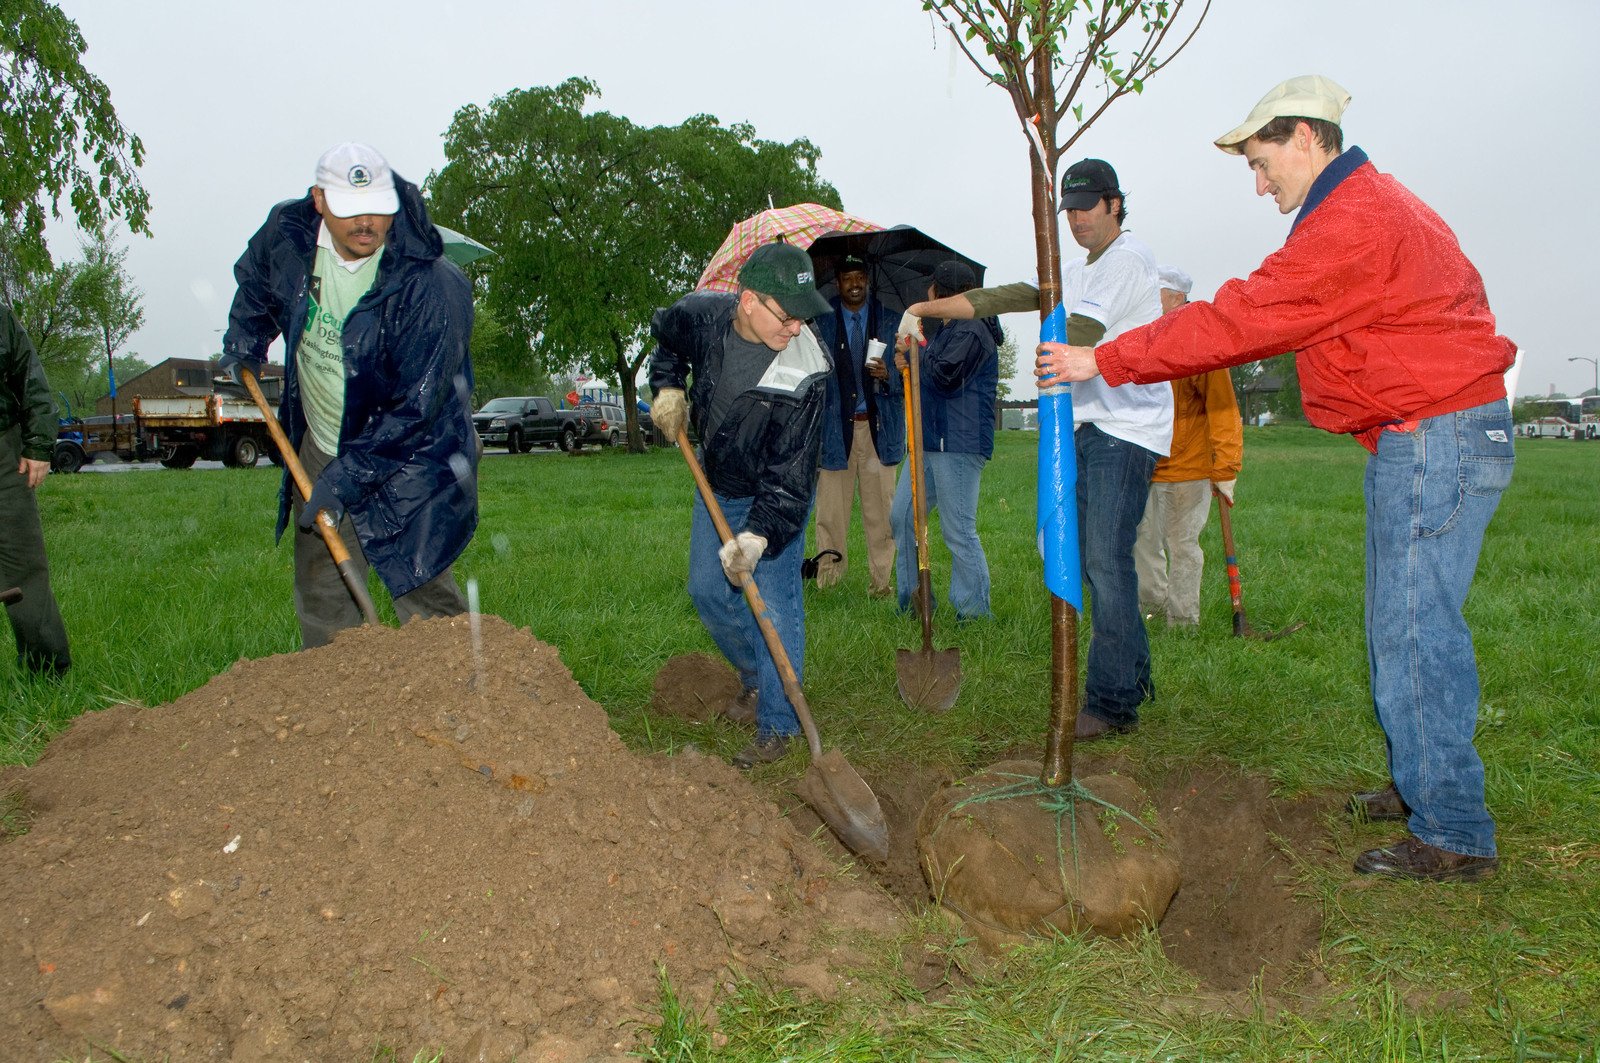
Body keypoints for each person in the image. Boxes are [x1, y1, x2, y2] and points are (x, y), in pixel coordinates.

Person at [1036, 76, 1516, 882]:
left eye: (1263, 164)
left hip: (1436, 437)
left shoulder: (1353, 221)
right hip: (1428, 435)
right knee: (1402, 622)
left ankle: (1454, 830)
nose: (1260, 186)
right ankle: (1424, 780)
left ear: (1307, 137)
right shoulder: (1375, 205)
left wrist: (1103, 359)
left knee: (1414, 630)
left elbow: (1241, 319)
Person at [901, 159, 1171, 736]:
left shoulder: (1129, 261)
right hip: (1087, 424)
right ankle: (1133, 671)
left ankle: (1111, 702)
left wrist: (1040, 321)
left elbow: (1082, 334)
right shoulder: (1073, 268)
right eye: (1067, 209)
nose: (1074, 218)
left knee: (1103, 556)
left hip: (1129, 428)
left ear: (1114, 204)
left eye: (1085, 206)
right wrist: (924, 309)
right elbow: (1004, 296)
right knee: (1093, 558)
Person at [219, 142, 477, 650]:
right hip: (322, 437)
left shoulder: (431, 287)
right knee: (323, 583)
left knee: (419, 578)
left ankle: (463, 691)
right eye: (349, 208)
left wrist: (347, 478)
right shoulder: (288, 238)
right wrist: (243, 342)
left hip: (411, 454)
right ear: (318, 200)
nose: (366, 222)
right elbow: (255, 281)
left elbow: (416, 410)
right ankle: (333, 699)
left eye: (378, 209)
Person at [648, 242, 831, 769]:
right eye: (787, 314)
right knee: (707, 590)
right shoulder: (702, 316)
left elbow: (792, 478)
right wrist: (667, 388)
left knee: (772, 603)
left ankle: (779, 724)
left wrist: (758, 535)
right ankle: (756, 675)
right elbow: (666, 338)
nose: (796, 327)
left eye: (803, 317)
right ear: (748, 300)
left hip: (775, 492)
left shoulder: (810, 369)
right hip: (718, 481)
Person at [1132, 266, 1243, 627]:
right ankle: (1150, 611)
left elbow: (1223, 409)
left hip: (1190, 470)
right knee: (1144, 545)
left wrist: (1225, 469)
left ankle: (1182, 622)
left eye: (1158, 293)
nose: (1150, 299)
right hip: (1146, 466)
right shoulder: (1145, 340)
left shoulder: (1200, 346)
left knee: (1182, 547)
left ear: (1177, 298)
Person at [891, 261, 1001, 621]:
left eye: (932, 288)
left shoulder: (972, 330)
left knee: (958, 531)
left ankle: (972, 613)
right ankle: (914, 602)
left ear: (943, 293)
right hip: (928, 441)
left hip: (958, 443)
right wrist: (910, 357)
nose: (927, 295)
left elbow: (946, 377)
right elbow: (931, 371)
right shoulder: (947, 331)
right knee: (903, 516)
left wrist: (915, 353)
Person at [811, 255, 904, 596]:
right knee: (831, 514)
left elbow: (912, 374)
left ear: (868, 279)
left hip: (880, 432)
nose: (854, 284)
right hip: (834, 431)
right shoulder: (818, 322)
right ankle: (829, 583)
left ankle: (881, 584)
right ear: (837, 283)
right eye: (847, 277)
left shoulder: (892, 320)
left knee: (882, 513)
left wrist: (890, 375)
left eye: (860, 277)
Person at [1, 305, 71, 677]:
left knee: (22, 564)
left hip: (3, 452)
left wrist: (38, 445)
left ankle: (46, 669)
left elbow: (30, 379)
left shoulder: (1, 319)